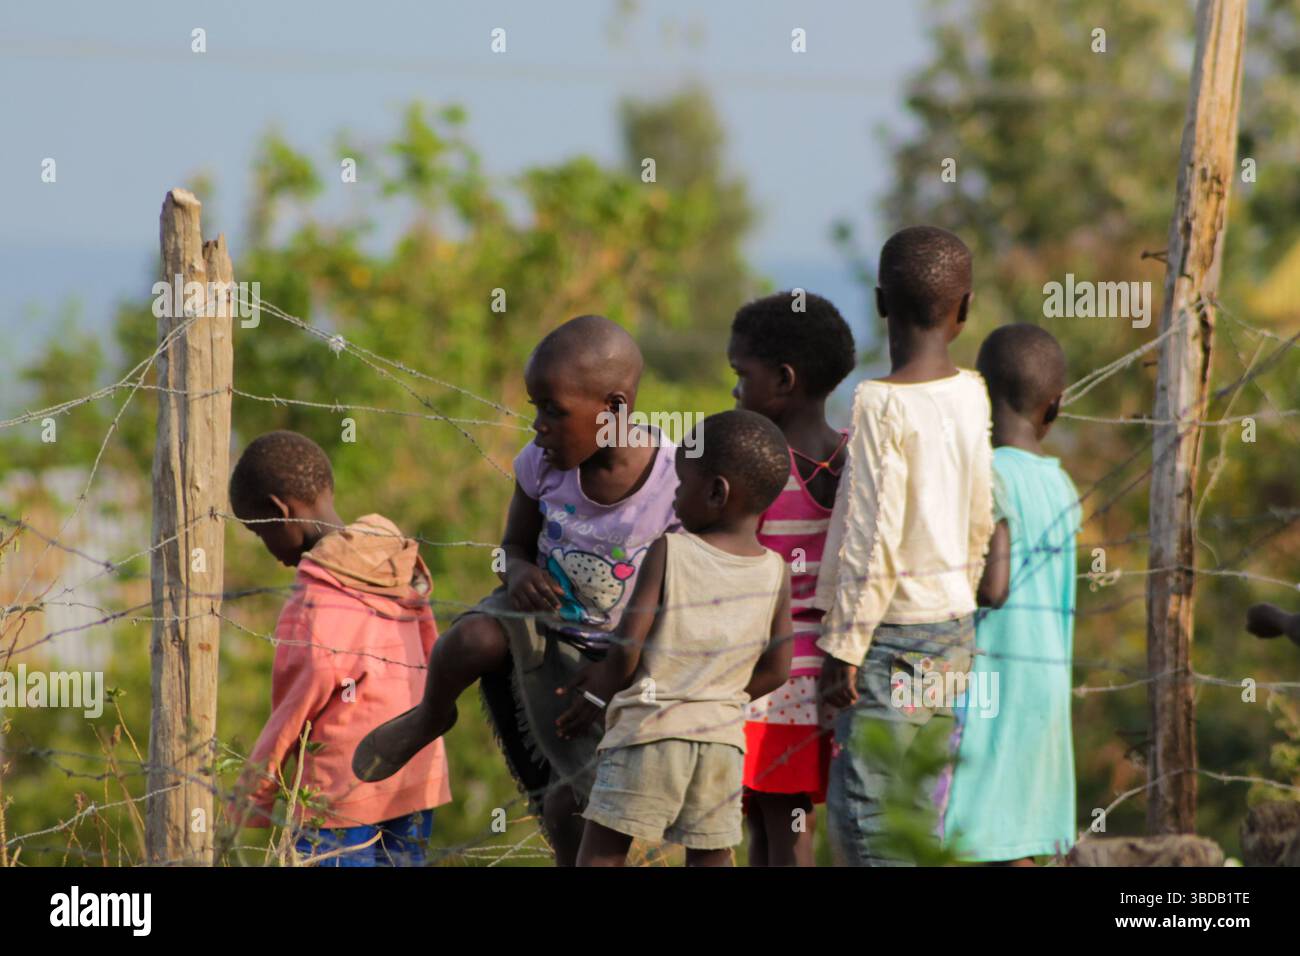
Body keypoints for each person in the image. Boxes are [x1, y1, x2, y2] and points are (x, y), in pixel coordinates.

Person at [351, 315, 680, 865]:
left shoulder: (673, 481)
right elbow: (509, 548)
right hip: (541, 624)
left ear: (614, 409)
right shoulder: (541, 465)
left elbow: (680, 593)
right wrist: (519, 573)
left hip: (625, 649)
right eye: (535, 409)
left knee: (573, 801)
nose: (538, 427)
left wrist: (620, 668)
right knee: (470, 639)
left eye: (553, 411)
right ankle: (431, 715)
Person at [814, 225, 995, 866]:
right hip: (950, 629)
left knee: (865, 808)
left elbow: (873, 535)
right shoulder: (972, 393)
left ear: (880, 304)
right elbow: (981, 507)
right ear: (965, 309)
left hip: (890, 639)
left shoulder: (879, 404)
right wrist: (963, 590)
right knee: (917, 802)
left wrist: (845, 644)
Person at [554, 410, 794, 866]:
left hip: (649, 732)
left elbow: (628, 646)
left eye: (682, 484)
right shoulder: (776, 571)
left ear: (717, 492)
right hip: (722, 742)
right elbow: (779, 669)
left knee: (604, 848)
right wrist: (714, 697)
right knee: (711, 855)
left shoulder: (671, 549)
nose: (675, 495)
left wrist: (600, 692)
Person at [225, 430, 451, 866]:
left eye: (259, 533)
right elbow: (432, 656)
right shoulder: (394, 563)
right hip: (415, 773)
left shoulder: (313, 599)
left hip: (340, 795)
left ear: (280, 511)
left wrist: (254, 793)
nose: (268, 549)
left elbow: (293, 708)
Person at [944, 323, 1081, 865]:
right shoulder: (1062, 486)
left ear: (979, 393)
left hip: (987, 686)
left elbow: (992, 588)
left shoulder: (987, 475)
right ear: (1054, 407)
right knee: (1015, 839)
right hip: (1044, 687)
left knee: (971, 832)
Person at [728, 290, 856, 866]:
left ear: (783, 379)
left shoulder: (757, 473)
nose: (735, 391)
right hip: (830, 668)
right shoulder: (858, 459)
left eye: (742, 375)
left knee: (782, 830)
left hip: (772, 678)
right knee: (778, 820)